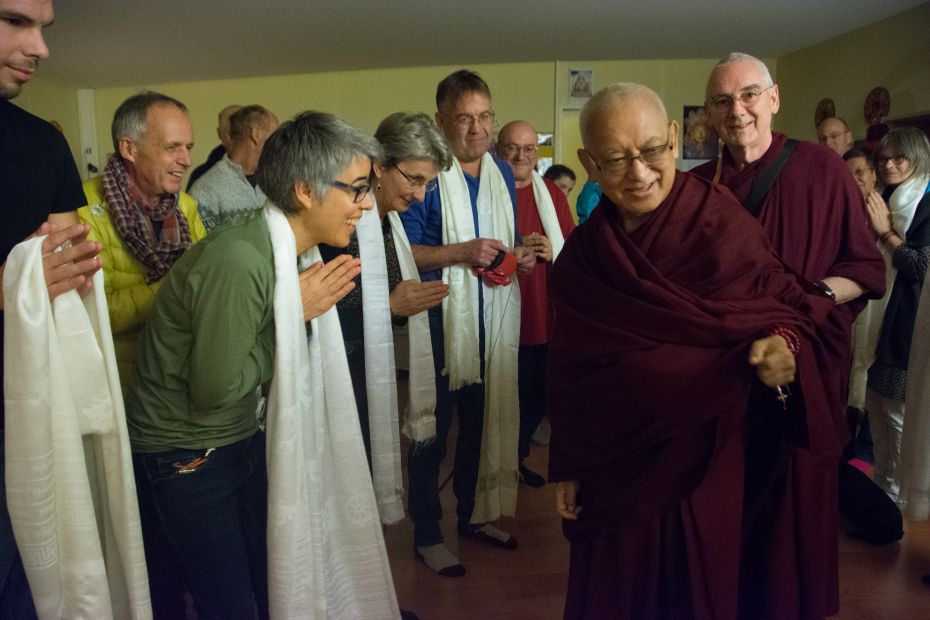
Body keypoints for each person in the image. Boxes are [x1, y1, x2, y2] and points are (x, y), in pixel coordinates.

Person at [549, 82, 835, 619]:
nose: (639, 174)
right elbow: (569, 368)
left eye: (652, 151)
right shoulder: (585, 258)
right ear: (588, 162)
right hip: (612, 462)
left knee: (694, 587)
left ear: (676, 139)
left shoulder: (720, 224)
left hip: (705, 454)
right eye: (615, 159)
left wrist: (783, 349)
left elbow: (784, 311)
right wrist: (569, 460)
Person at [127, 111, 400, 618]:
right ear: (304, 190)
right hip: (186, 453)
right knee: (229, 602)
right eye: (358, 189)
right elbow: (216, 388)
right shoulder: (239, 259)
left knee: (272, 578)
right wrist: (292, 316)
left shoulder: (292, 252)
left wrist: (294, 314)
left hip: (236, 439)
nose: (365, 205)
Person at [693, 53, 885, 617]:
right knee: (728, 505)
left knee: (793, 507)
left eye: (749, 94)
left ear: (774, 99)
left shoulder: (822, 170)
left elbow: (865, 269)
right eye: (723, 101)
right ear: (709, 113)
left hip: (804, 373)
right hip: (726, 378)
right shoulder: (699, 187)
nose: (738, 111)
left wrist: (810, 302)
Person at [400, 69, 534, 577]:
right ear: (441, 121)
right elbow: (402, 250)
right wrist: (461, 252)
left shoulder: (500, 170)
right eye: (464, 118)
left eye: (484, 117)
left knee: (483, 423)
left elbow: (505, 239)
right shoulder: (426, 173)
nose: (477, 129)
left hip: (493, 318)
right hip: (440, 321)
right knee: (433, 431)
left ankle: (474, 516)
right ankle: (428, 534)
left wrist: (520, 255)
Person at [0, 1, 103, 615]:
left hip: (33, 411)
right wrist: (16, 284)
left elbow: (71, 264)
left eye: (44, 28)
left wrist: (67, 276)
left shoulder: (42, 143)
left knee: (37, 577)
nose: (41, 49)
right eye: (15, 21)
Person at [318, 111, 451, 517]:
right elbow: (317, 310)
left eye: (428, 183)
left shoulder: (384, 219)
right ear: (379, 165)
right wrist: (392, 305)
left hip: (366, 368)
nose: (420, 194)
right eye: (414, 179)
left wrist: (400, 301)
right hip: (334, 376)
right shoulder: (343, 218)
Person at [78, 92, 207, 387]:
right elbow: (94, 313)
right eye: (172, 147)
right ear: (129, 149)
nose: (186, 160)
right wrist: (177, 284)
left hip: (181, 372)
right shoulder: (82, 210)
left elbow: (207, 282)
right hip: (120, 381)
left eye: (188, 147)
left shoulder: (186, 206)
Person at [497, 120, 575, 488]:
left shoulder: (552, 196)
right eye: (513, 147)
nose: (521, 155)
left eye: (529, 149)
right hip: (496, 315)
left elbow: (574, 252)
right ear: (499, 150)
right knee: (495, 403)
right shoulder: (487, 191)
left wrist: (551, 248)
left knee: (533, 400)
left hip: (541, 316)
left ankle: (516, 460)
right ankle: (491, 469)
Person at [863, 127, 930, 503]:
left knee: (899, 416)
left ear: (917, 159)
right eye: (883, 159)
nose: (889, 165)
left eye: (898, 158)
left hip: (908, 324)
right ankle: (882, 491)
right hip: (877, 319)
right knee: (875, 410)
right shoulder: (886, 197)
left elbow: (922, 266)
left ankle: (905, 500)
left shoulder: (926, 201)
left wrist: (887, 233)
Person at [190, 104, 279, 230]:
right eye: (275, 135)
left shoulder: (276, 183)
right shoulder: (204, 191)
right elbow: (199, 248)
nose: (279, 143)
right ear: (256, 133)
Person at [186, 103, 241, 190]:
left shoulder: (265, 170)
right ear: (220, 133)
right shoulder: (201, 175)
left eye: (240, 131)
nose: (237, 138)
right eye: (230, 132)